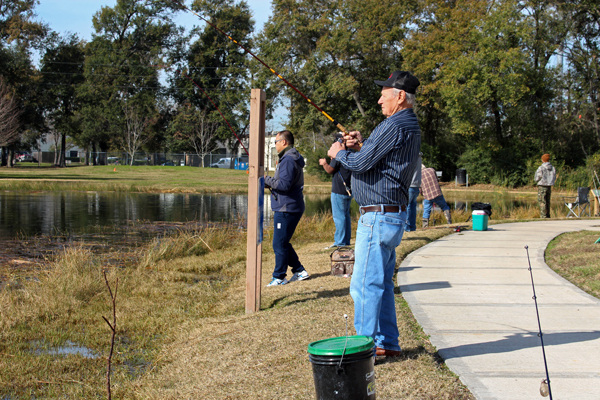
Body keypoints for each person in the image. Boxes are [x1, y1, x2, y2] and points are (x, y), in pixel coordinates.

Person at [327, 71, 421, 357]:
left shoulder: (394, 124)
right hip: (389, 215)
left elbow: (362, 163)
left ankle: (361, 351)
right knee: (380, 282)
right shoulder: (408, 124)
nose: (380, 99)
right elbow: (379, 159)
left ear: (400, 96)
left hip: (378, 216)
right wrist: (362, 143)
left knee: (364, 284)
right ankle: (386, 344)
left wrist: (339, 152)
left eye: (385, 94)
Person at [264, 130, 310, 286]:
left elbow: (283, 185)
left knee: (279, 243)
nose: (275, 145)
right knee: (283, 241)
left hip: (286, 208)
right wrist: (269, 182)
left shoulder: (288, 160)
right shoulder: (290, 158)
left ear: (284, 142)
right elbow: (283, 183)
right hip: (288, 206)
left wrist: (266, 179)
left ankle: (279, 277)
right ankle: (299, 271)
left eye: (276, 142)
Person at [319, 134, 353, 249]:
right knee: (345, 217)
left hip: (338, 191)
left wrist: (324, 163)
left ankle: (340, 242)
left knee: (339, 217)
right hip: (348, 191)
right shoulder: (350, 154)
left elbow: (330, 170)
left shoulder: (339, 156)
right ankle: (346, 240)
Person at [534, 153, 556, 218]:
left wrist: (536, 180)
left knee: (542, 201)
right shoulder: (553, 168)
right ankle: (548, 215)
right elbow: (554, 177)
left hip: (542, 186)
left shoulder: (541, 168)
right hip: (549, 186)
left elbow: (538, 177)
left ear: (543, 160)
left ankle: (543, 216)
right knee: (547, 201)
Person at [405, 152, 422, 232]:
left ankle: (407, 228)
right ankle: (412, 227)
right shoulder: (419, 156)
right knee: (412, 207)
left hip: (409, 184)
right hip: (416, 184)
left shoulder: (409, 155)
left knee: (406, 207)